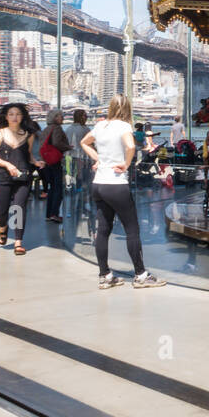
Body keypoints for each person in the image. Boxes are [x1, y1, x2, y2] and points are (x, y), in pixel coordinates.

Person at [80, 95, 166, 290]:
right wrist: (127, 164)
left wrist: (98, 159)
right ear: (127, 108)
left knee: (103, 229)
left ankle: (105, 275)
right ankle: (141, 275)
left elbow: (84, 142)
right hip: (116, 184)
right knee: (132, 230)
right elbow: (130, 146)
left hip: (98, 184)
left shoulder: (101, 125)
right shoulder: (125, 127)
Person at [0, 103, 44, 256]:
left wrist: (36, 162)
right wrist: (7, 165)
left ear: (22, 116)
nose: (14, 117)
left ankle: (18, 242)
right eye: (11, 114)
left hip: (23, 175)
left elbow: (28, 154)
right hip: (3, 176)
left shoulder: (29, 134)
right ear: (6, 116)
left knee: (19, 208)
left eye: (18, 114)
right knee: (1, 211)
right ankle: (3, 226)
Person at [39, 110, 71, 223]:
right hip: (54, 161)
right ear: (55, 118)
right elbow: (57, 143)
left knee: (52, 188)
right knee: (58, 188)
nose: (62, 118)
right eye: (60, 116)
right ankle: (54, 213)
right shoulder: (57, 128)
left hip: (46, 161)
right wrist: (68, 147)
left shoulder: (46, 129)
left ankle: (49, 213)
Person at [63, 109, 90, 189]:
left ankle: (72, 190)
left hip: (69, 156)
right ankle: (80, 193)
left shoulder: (68, 129)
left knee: (70, 174)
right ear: (81, 117)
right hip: (82, 156)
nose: (87, 118)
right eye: (85, 116)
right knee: (81, 176)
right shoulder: (85, 129)